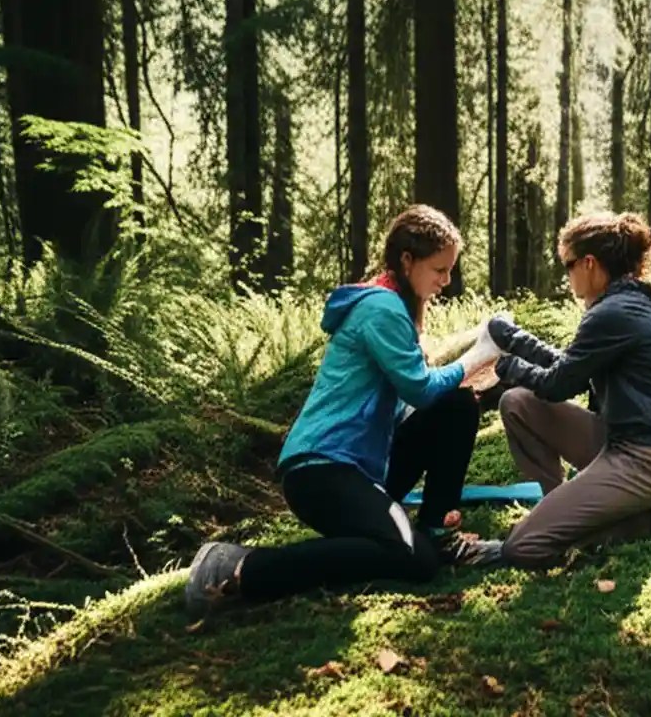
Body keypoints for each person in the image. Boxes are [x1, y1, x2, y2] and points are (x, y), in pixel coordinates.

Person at [185, 205, 504, 623]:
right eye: (439, 270)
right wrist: (478, 355)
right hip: (323, 471)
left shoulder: (396, 308)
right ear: (407, 261)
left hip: (363, 467)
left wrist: (473, 373)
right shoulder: (382, 309)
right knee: (414, 560)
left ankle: (436, 533)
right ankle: (240, 568)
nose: (445, 281)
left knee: (457, 405)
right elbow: (421, 387)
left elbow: (411, 401)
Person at [486, 212, 651, 569]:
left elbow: (558, 384)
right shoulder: (622, 303)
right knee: (517, 402)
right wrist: (516, 340)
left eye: (568, 266)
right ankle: (571, 507)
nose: (566, 276)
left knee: (521, 547)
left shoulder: (615, 311)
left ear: (589, 263)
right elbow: (573, 368)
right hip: (621, 440)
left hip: (649, 459)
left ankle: (633, 522)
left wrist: (507, 366)